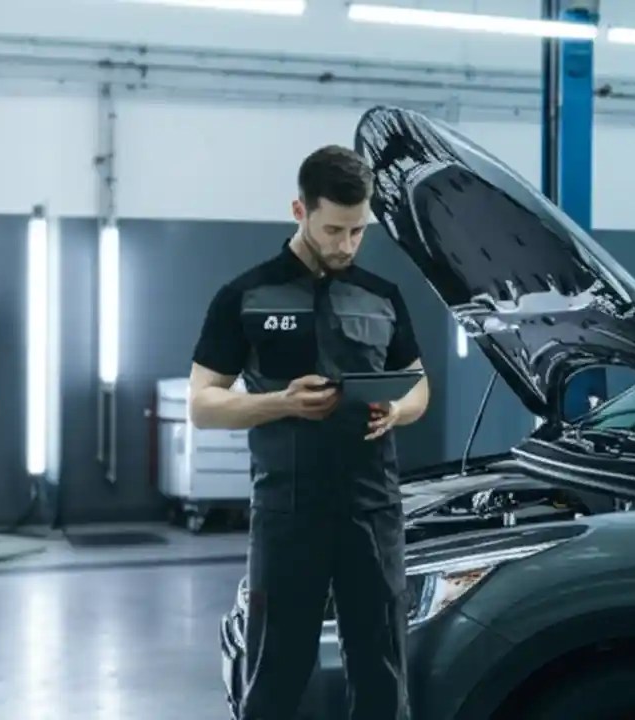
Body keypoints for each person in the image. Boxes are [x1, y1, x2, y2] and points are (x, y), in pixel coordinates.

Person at [188, 144, 430, 720]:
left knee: (382, 671)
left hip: (373, 512)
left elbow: (420, 387)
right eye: (333, 230)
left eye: (358, 231)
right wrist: (280, 402)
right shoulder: (244, 297)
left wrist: (397, 412)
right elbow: (203, 403)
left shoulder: (382, 298)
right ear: (299, 211)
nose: (346, 244)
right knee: (277, 671)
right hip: (288, 513)